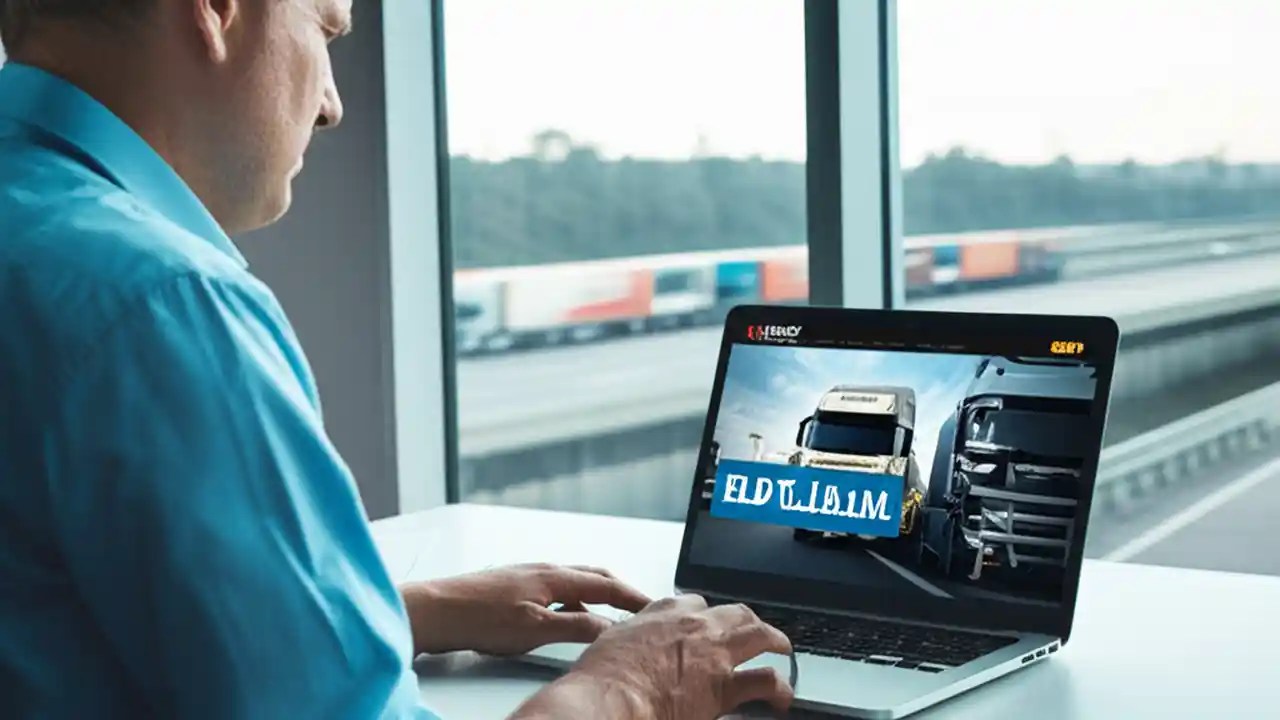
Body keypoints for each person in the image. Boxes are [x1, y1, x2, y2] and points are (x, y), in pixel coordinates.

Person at [0, 1, 795, 718]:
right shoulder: (164, 306)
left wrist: (395, 607)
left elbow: (61, 614)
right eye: (327, 29)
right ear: (215, 10)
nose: (332, 105)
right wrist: (632, 684)